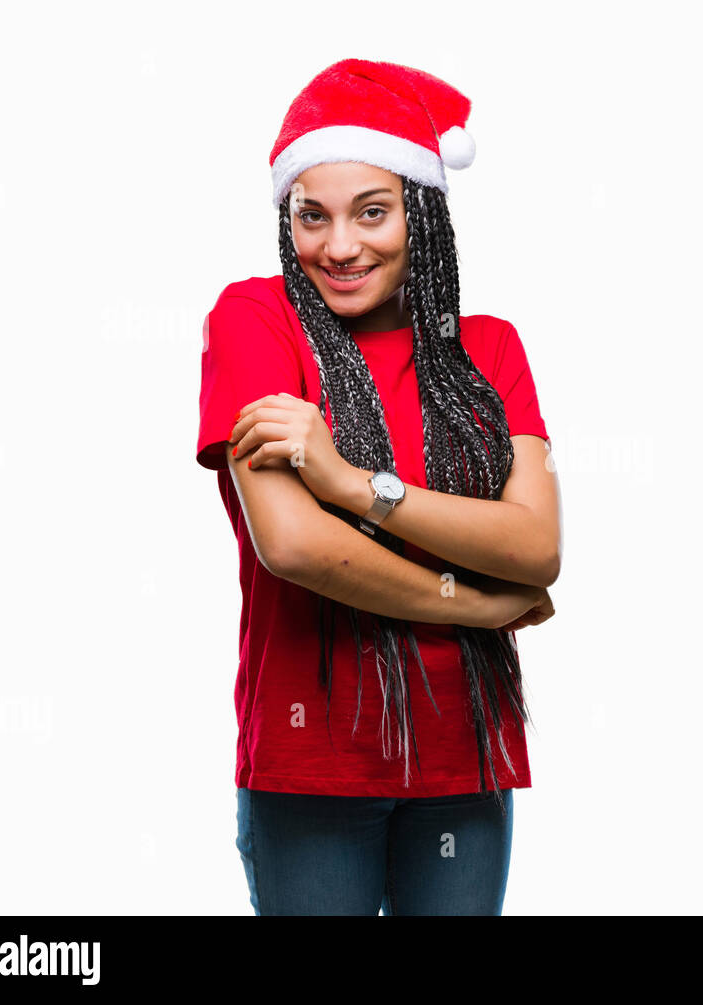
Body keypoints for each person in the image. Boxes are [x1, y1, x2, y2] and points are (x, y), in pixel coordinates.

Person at [193, 59, 562, 916]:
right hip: (313, 765)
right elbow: (293, 545)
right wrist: (472, 603)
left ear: (421, 215)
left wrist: (354, 483)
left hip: (462, 757)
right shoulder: (257, 321)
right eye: (310, 216)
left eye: (372, 212)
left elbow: (536, 546)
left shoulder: (491, 350)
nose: (340, 246)